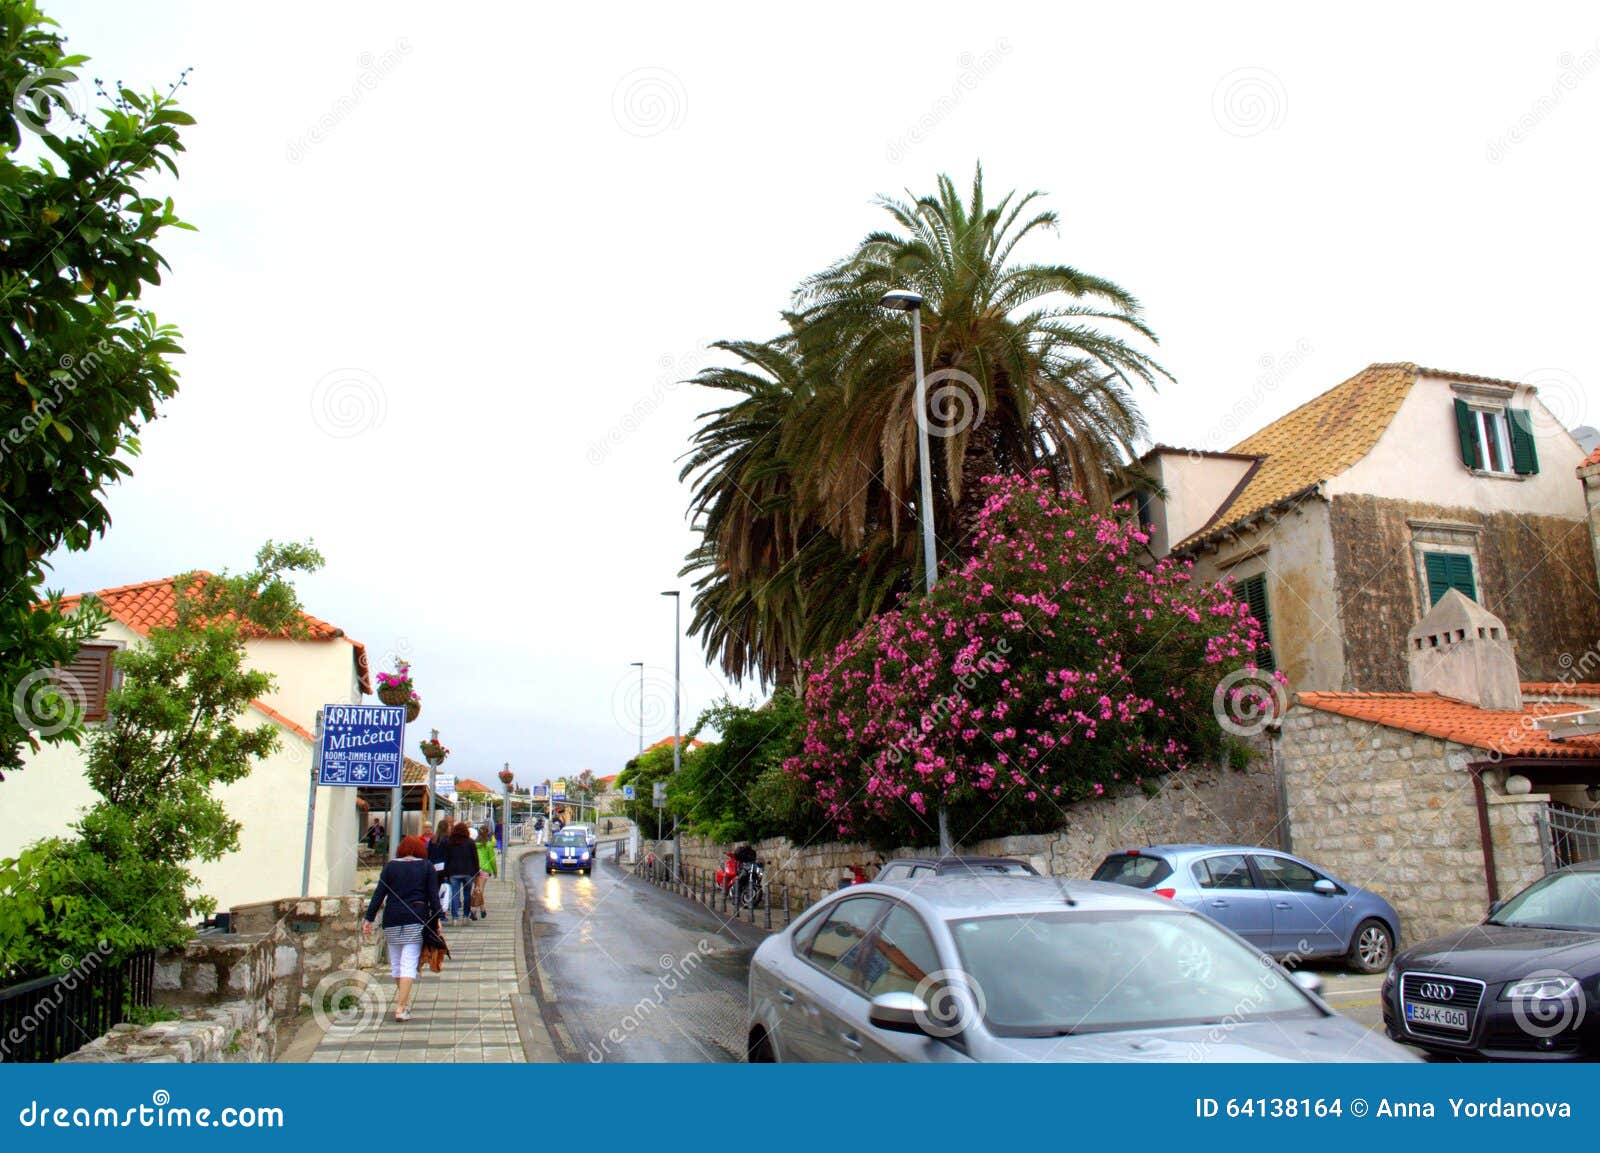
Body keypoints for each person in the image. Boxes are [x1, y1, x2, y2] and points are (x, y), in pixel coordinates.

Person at [362, 835, 442, 1023]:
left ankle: (403, 1002)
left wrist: (368, 918)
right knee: (409, 964)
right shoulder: (426, 866)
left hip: (392, 919)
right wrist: (436, 919)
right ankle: (401, 1007)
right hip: (416, 918)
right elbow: (433, 896)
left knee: (397, 964)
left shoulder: (390, 867)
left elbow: (379, 894)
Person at [444, 822, 480, 923]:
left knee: (455, 895)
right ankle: (465, 916)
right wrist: (477, 872)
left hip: (454, 872)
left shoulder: (450, 842)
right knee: (467, 894)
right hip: (468, 872)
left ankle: (455, 918)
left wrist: (446, 873)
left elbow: (447, 859)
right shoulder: (470, 842)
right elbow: (475, 859)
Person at [474, 822, 498, 919]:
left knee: (477, 889)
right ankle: (475, 910)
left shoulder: (474, 844)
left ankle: (482, 909)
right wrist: (495, 871)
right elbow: (492, 859)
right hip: (485, 868)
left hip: (475, 868)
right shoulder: (488, 845)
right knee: (480, 890)